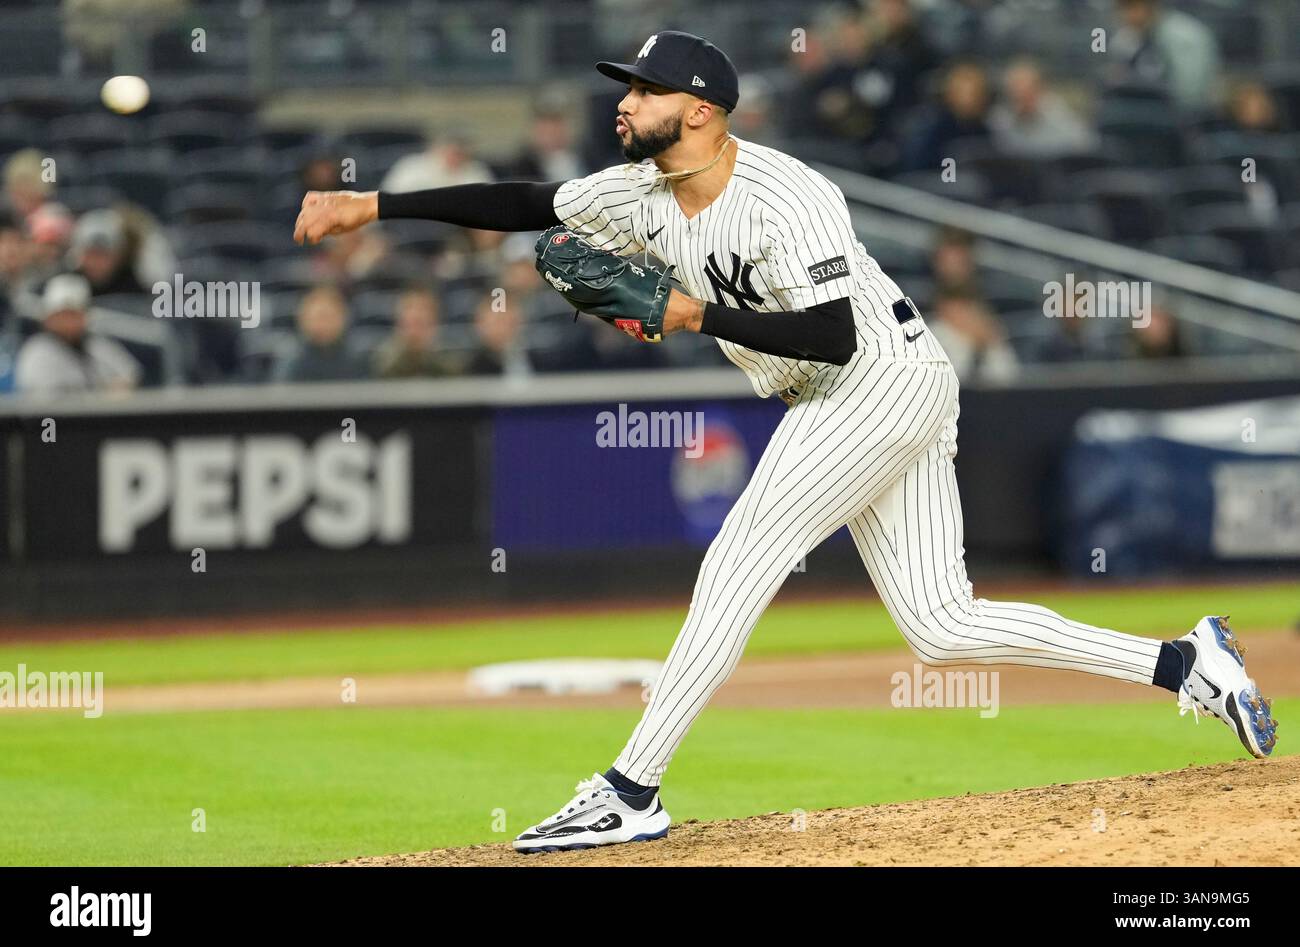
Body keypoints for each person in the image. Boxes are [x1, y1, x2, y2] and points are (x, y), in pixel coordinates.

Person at [294, 30, 1277, 854]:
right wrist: (371, 205)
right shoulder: (636, 191)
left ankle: (632, 787)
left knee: (738, 555)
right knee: (940, 624)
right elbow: (521, 203)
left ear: (703, 109)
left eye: (644, 89)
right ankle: (1186, 661)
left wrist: (687, 309)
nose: (625, 103)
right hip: (862, 387)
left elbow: (831, 336)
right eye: (626, 88)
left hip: (874, 377)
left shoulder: (787, 194)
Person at [14, 273, 140, 395]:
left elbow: (131, 374)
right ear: (48, 318)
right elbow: (46, 402)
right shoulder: (37, 351)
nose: (68, 322)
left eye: (74, 314)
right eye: (62, 315)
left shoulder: (97, 345)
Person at [272, 285, 369, 383]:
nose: (324, 324)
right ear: (303, 319)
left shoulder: (357, 359)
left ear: (343, 318)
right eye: (318, 317)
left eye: (329, 317)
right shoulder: (292, 360)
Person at [372, 286, 458, 378]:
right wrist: (407, 350)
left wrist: (427, 351)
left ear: (434, 322)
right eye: (411, 324)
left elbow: (454, 374)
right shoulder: (386, 353)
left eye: (421, 324)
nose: (416, 312)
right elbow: (382, 374)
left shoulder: (448, 352)